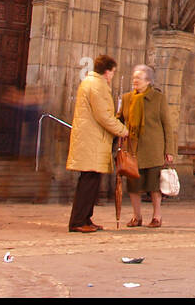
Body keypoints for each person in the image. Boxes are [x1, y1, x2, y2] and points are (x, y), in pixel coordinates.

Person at [66, 55, 128, 233]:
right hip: (92, 141)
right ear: (107, 71)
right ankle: (78, 221)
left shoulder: (90, 83)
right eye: (113, 72)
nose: (112, 76)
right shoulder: (97, 85)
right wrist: (122, 130)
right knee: (89, 181)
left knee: (91, 181)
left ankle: (85, 218)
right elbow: (103, 116)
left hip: (91, 140)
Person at [118, 64, 175, 227]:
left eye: (139, 78)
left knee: (154, 186)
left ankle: (157, 216)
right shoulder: (127, 98)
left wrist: (169, 150)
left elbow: (167, 126)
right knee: (133, 185)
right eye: (134, 78)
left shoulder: (158, 98)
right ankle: (137, 216)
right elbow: (119, 119)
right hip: (133, 149)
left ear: (148, 81)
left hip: (153, 149)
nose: (135, 81)